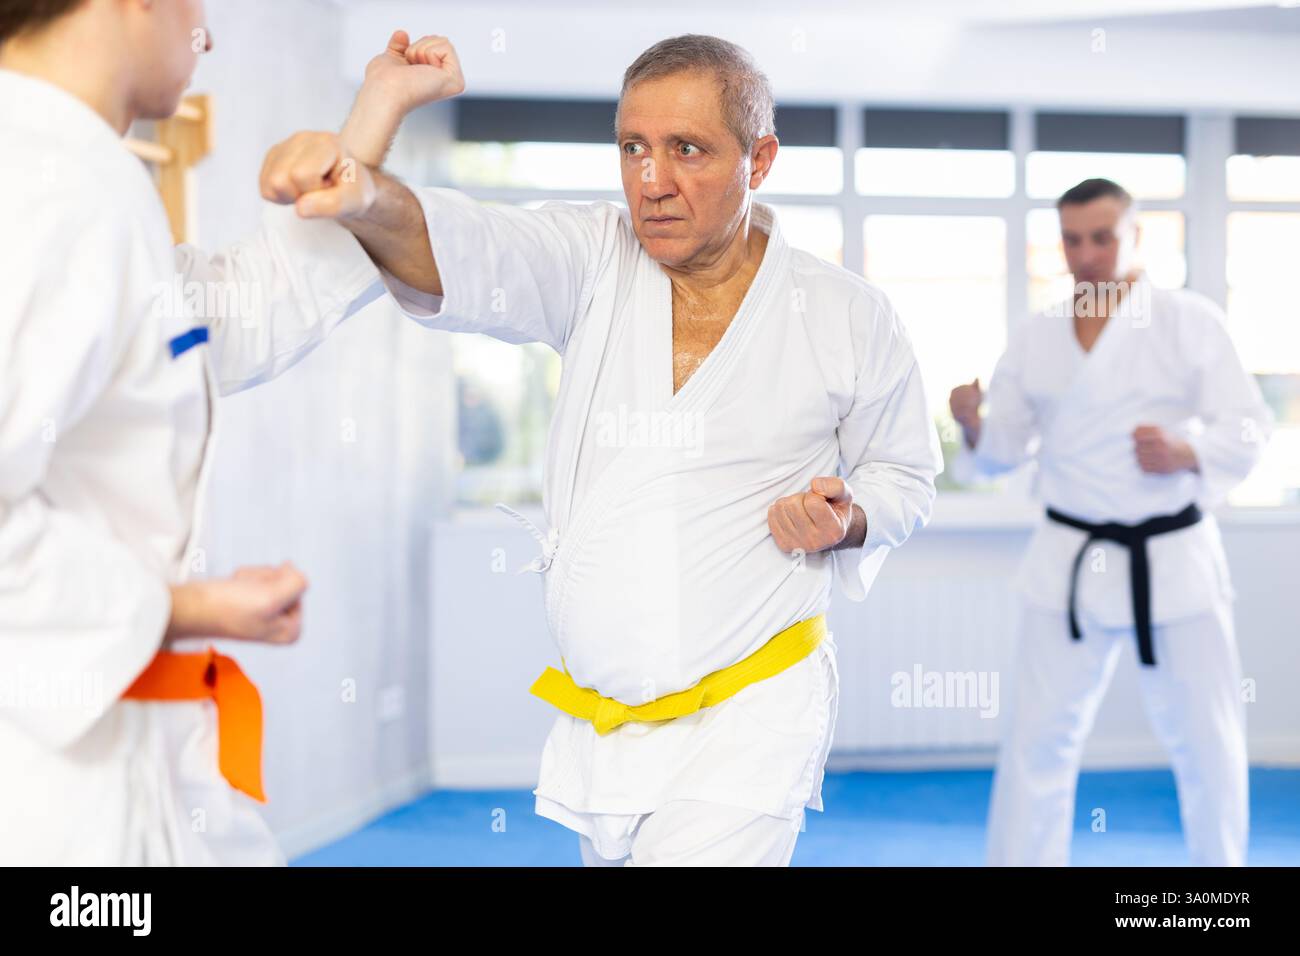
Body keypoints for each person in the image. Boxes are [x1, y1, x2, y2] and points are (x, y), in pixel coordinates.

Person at [261, 31, 943, 865]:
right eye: (633, 148)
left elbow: (905, 474)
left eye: (686, 150)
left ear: (759, 160)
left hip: (754, 712)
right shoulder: (591, 258)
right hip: (606, 720)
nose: (651, 183)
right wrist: (362, 188)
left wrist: (850, 516)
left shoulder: (848, 315)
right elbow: (467, 245)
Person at [0, 0, 388, 864]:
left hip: (125, 745)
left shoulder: (82, 174)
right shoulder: (42, 186)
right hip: (55, 781)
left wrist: (376, 114)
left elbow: (231, 313)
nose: (201, 28)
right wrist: (186, 607)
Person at [948, 178, 1273, 866]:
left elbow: (1249, 427)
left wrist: (1189, 451)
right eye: (1072, 239)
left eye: (1102, 237)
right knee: (1038, 740)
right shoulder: (1037, 335)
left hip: (1173, 559)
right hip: (1069, 557)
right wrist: (974, 424)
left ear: (1135, 237)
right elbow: (1004, 451)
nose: (1086, 254)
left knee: (1207, 739)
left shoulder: (1190, 321)